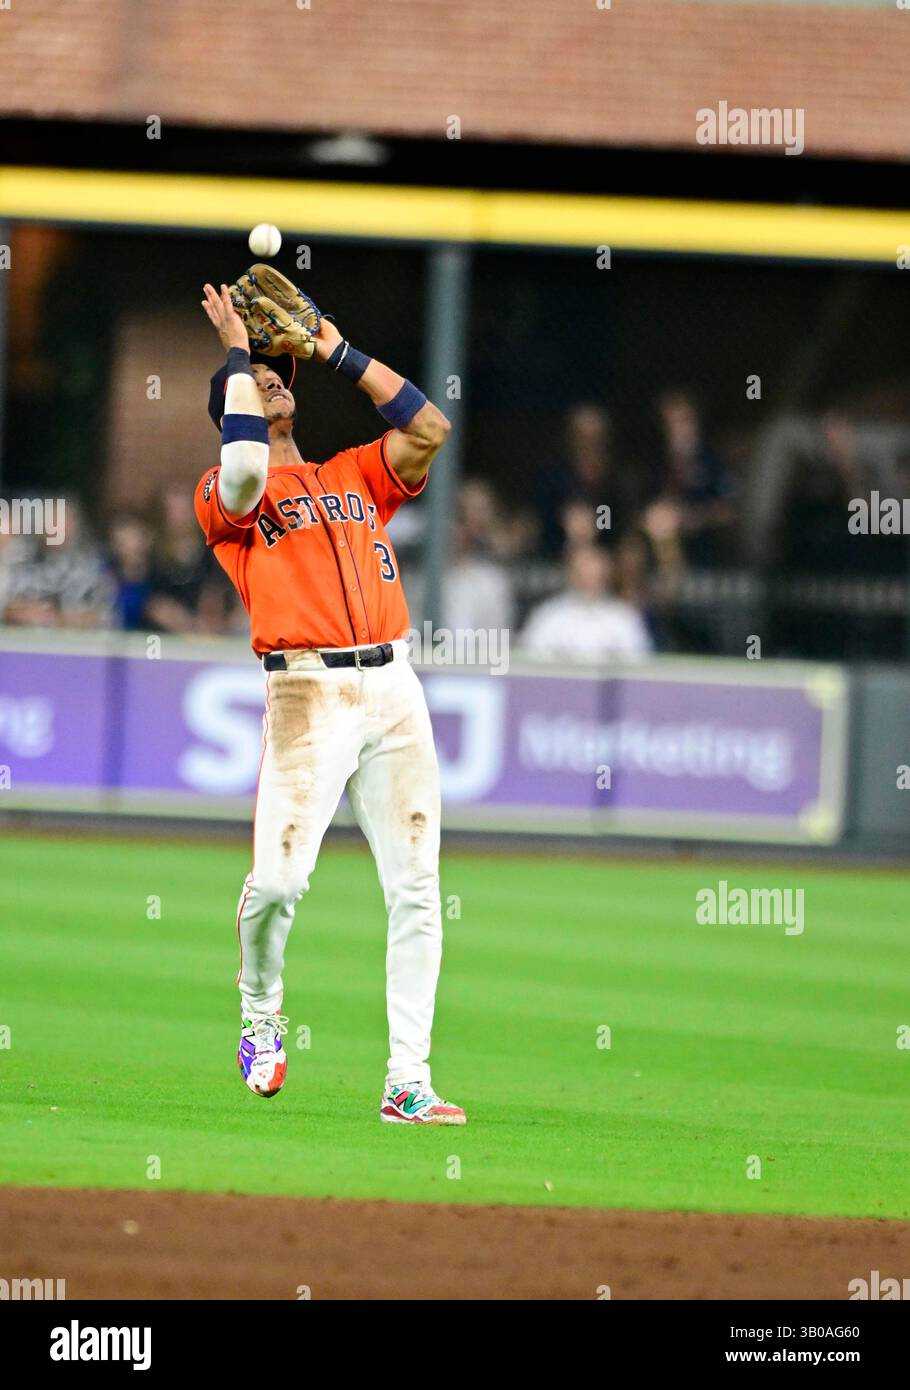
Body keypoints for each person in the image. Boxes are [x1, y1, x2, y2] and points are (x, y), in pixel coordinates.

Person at [196, 281, 464, 1126]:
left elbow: (429, 429)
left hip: (393, 687)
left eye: (279, 376)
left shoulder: (353, 474)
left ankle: (407, 1081)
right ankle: (261, 1009)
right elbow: (243, 464)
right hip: (306, 693)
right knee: (279, 883)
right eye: (257, 382)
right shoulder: (227, 499)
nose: (275, 381)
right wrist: (236, 352)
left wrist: (329, 346)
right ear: (232, 406)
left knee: (417, 886)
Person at [519, 544, 652, 663]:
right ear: (572, 575)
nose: (591, 582)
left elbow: (639, 664)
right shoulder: (548, 616)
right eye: (584, 575)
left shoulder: (624, 618)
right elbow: (531, 663)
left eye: (597, 576)